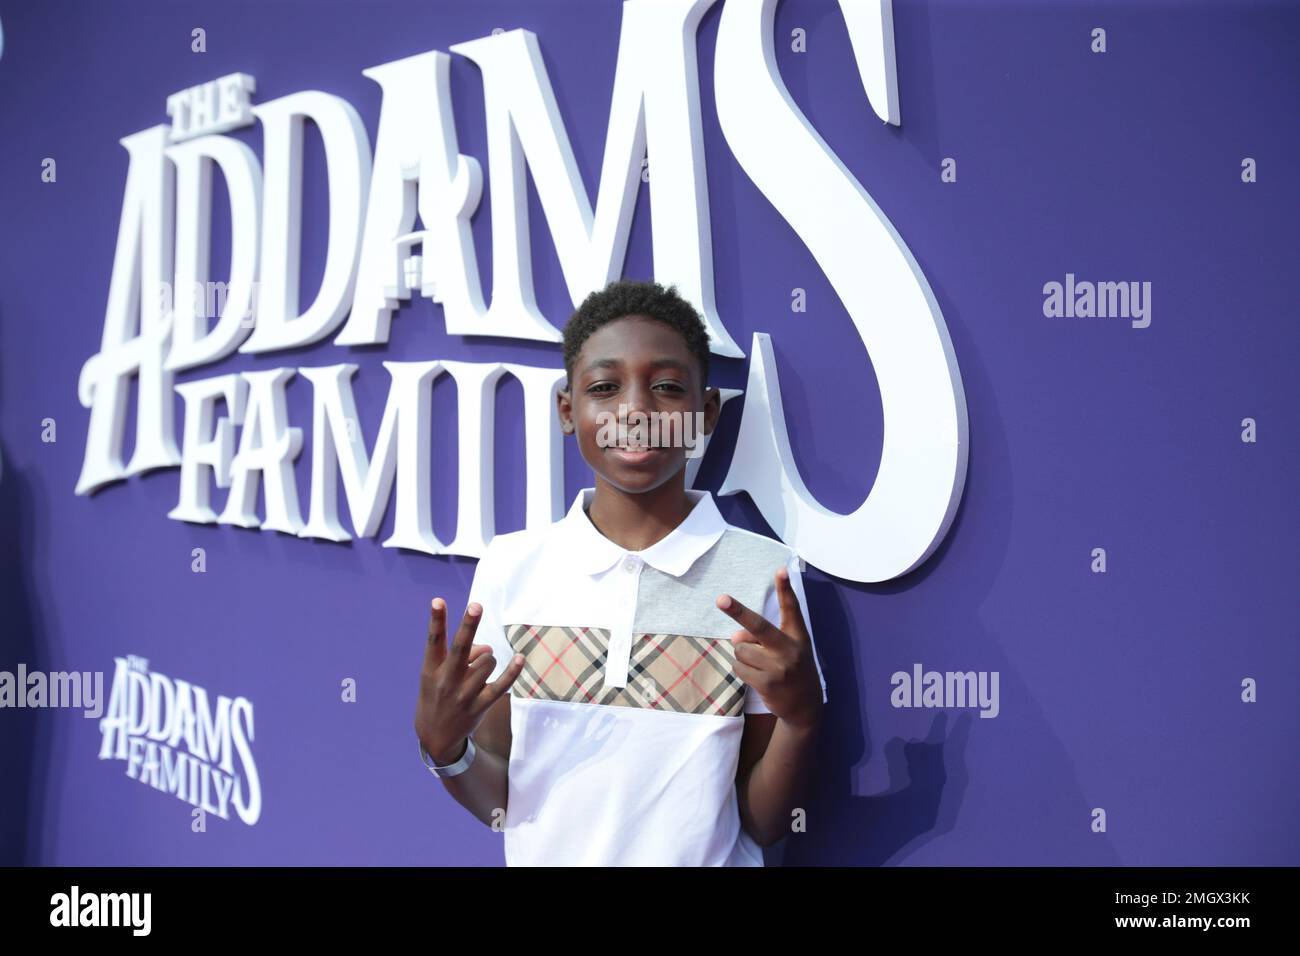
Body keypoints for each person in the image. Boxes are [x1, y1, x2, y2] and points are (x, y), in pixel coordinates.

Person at [413, 279, 828, 865]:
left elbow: (762, 821)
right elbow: (501, 799)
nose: (635, 410)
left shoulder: (763, 573)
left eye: (667, 387)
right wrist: (444, 749)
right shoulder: (512, 566)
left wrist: (802, 719)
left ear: (706, 413)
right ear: (567, 410)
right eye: (605, 388)